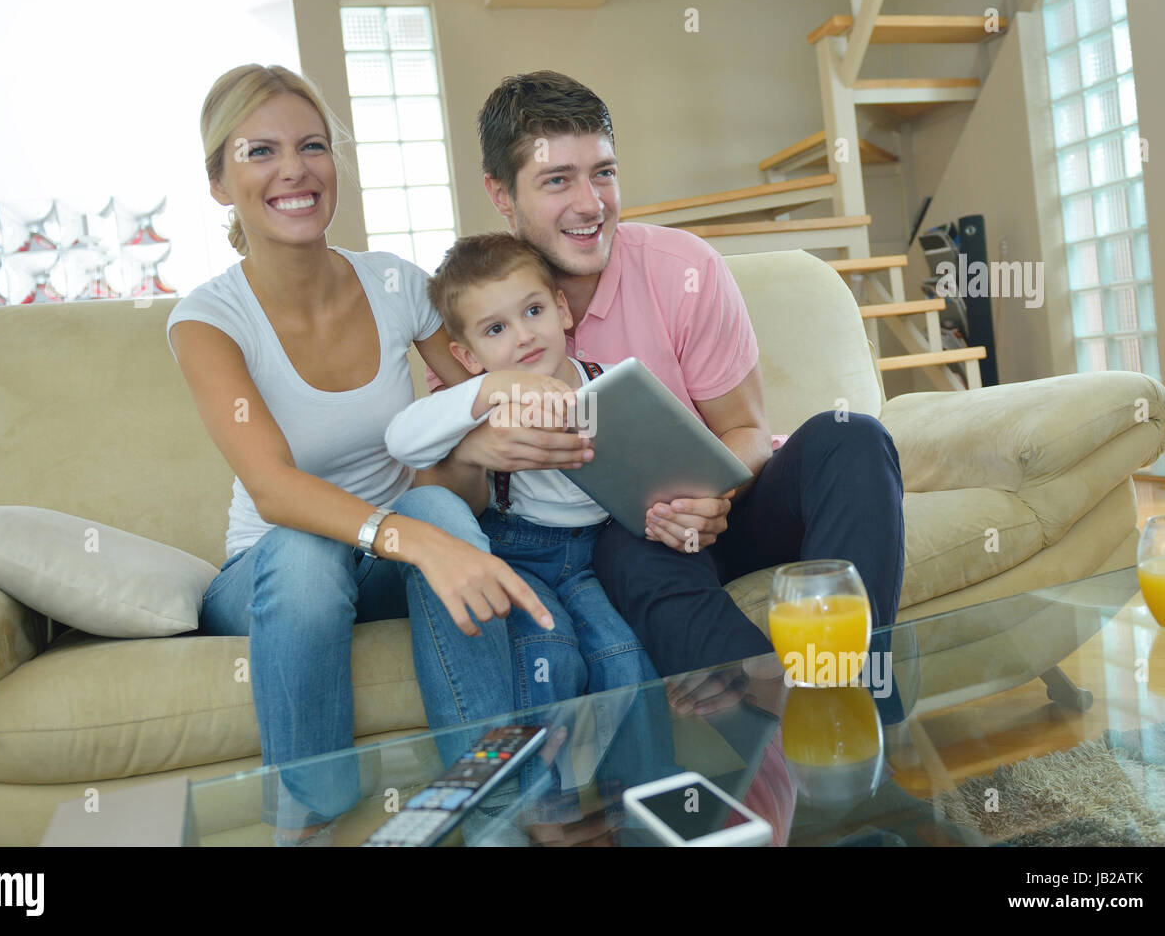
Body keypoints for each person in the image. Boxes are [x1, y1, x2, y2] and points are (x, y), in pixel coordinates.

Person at [165, 64, 552, 846]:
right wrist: (415, 536)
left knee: (438, 503)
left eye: (312, 146)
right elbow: (273, 488)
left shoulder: (394, 284)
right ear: (218, 181)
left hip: (383, 560)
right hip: (273, 573)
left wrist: (483, 448)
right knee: (309, 550)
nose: (294, 170)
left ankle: (492, 811)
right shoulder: (208, 318)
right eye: (259, 151)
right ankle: (310, 825)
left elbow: (476, 399)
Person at [432, 69, 905, 683]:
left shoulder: (684, 269)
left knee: (853, 435)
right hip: (632, 546)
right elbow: (444, 488)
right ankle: (786, 737)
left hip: (732, 507)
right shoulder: (476, 309)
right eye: (557, 180)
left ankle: (864, 703)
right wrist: (478, 447)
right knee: (631, 547)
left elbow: (746, 429)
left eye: (603, 172)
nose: (590, 203)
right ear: (501, 195)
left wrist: (714, 497)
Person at [384, 232, 658, 711]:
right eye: (495, 330)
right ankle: (543, 787)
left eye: (533, 311)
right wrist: (493, 387)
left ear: (562, 310)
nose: (524, 336)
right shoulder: (480, 402)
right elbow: (401, 439)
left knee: (626, 658)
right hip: (517, 555)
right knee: (548, 657)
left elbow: (667, 450)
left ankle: (641, 786)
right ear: (467, 358)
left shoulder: (614, 380)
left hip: (599, 554)